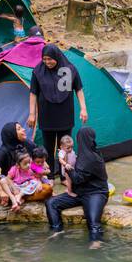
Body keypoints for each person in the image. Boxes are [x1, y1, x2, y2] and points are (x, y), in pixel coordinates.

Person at [29, 43, 88, 175]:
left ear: (57, 56)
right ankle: (49, 174)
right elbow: (33, 93)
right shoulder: (38, 71)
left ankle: (64, 174)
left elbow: (78, 89)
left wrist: (83, 109)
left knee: (65, 146)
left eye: (50, 59)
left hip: (64, 113)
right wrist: (32, 114)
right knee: (48, 147)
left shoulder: (70, 69)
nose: (47, 62)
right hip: (47, 114)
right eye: (44, 59)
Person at [45, 126, 108, 248]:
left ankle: (96, 241)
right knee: (51, 203)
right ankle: (57, 230)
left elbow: (78, 179)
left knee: (93, 221)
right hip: (79, 192)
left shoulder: (93, 157)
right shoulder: (81, 155)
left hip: (95, 193)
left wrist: (67, 167)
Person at [0, 122, 51, 210]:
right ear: (11, 134)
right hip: (10, 185)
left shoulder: (26, 143)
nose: (24, 129)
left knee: (47, 190)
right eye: (19, 129)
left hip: (28, 182)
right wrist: (1, 191)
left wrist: (43, 166)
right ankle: (12, 196)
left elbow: (38, 152)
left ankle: (17, 198)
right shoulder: (4, 150)